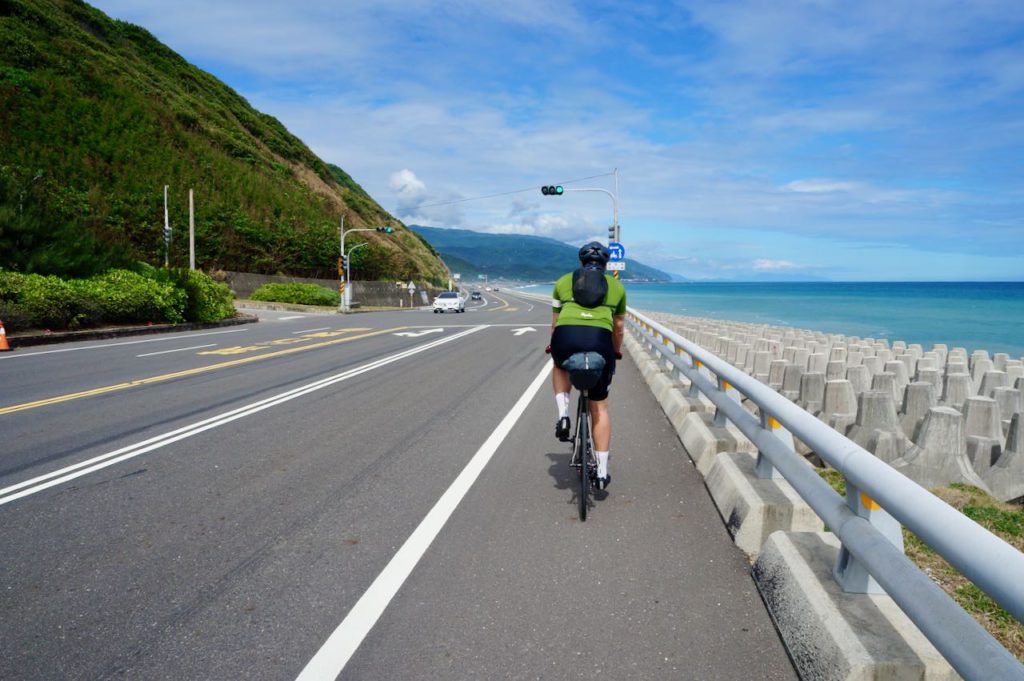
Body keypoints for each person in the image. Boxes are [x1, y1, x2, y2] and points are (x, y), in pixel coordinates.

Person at [548, 241, 626, 489]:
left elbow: (555, 323)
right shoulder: (616, 286)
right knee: (600, 408)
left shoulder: (563, 281)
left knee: (559, 364)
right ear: (605, 264)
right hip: (600, 342)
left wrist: (556, 346)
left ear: (581, 262)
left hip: (566, 336)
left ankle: (563, 414)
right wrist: (615, 351)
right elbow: (620, 327)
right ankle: (602, 473)